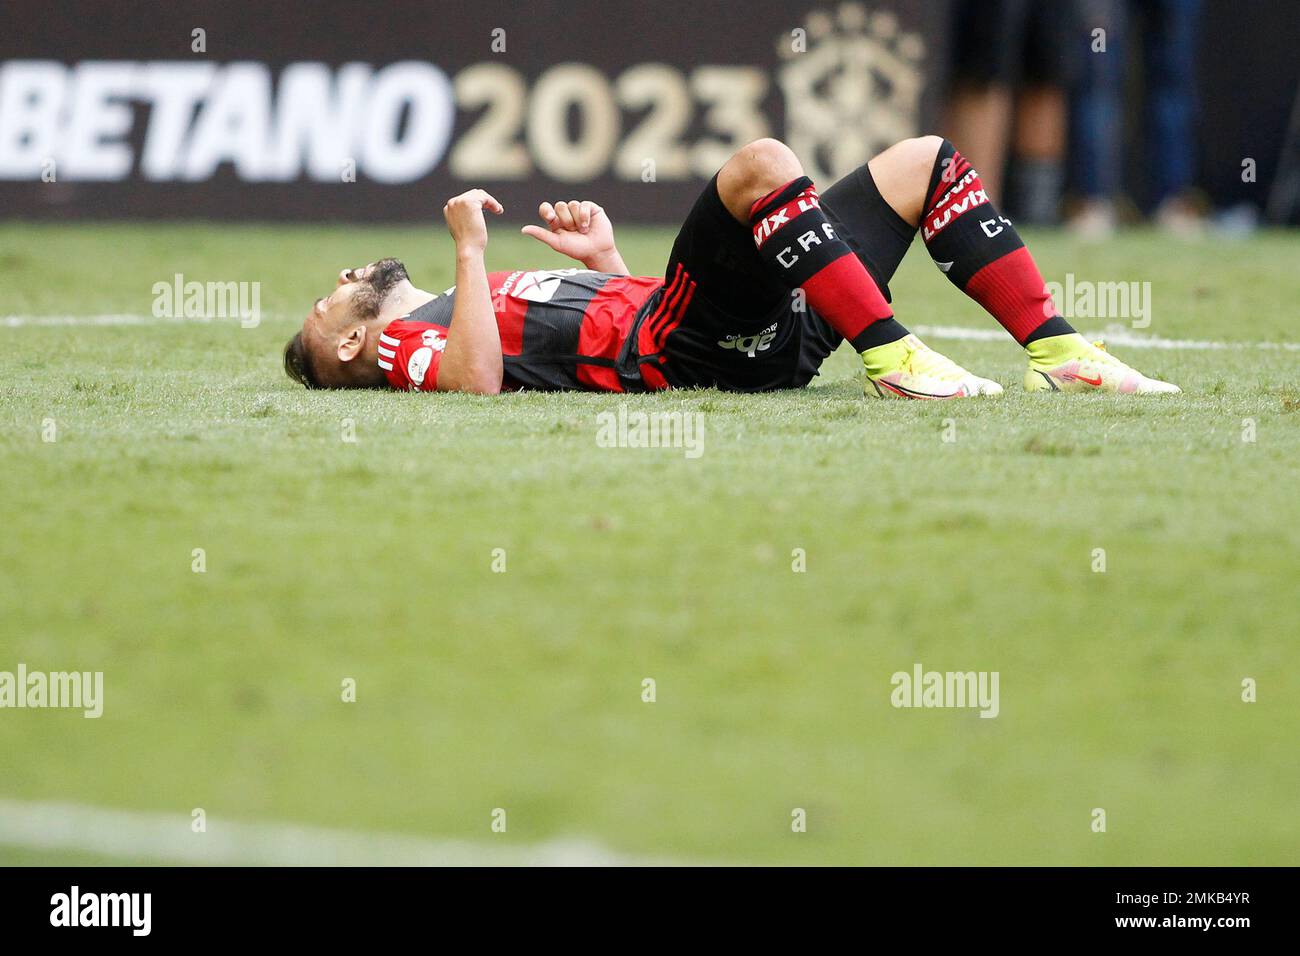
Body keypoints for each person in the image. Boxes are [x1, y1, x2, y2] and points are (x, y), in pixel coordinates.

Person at [283, 135, 1178, 397]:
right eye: (329, 307)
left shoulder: (450, 306)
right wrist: (471, 252)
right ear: (356, 344)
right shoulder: (407, 341)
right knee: (759, 167)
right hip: (699, 349)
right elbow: (476, 382)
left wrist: (606, 263)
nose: (340, 280)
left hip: (730, 337)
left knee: (924, 163)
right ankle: (896, 360)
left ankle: (1061, 354)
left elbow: (603, 333)